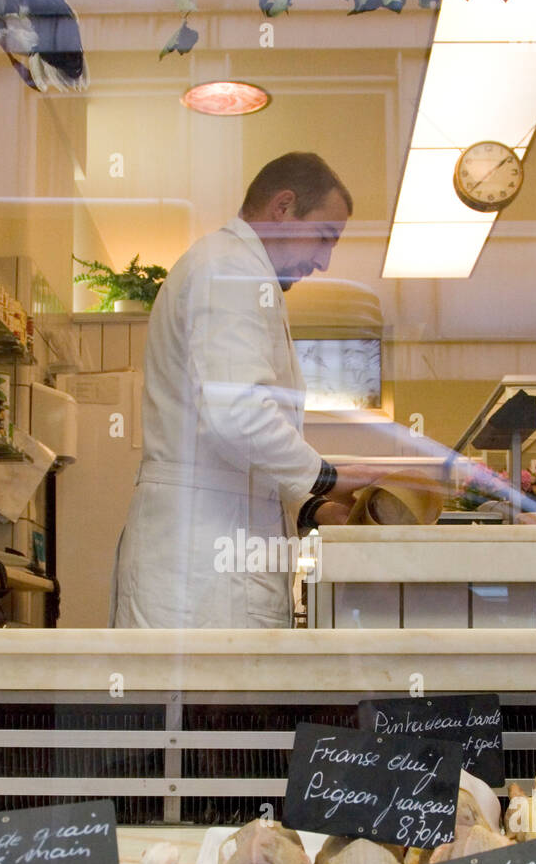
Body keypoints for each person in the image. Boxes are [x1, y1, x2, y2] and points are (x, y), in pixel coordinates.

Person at [109, 152, 396, 628]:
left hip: (211, 563)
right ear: (283, 207)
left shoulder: (239, 273)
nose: (324, 261)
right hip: (202, 577)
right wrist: (328, 476)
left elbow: (243, 456)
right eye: (325, 238)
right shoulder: (229, 270)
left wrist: (315, 508)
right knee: (201, 701)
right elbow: (239, 416)